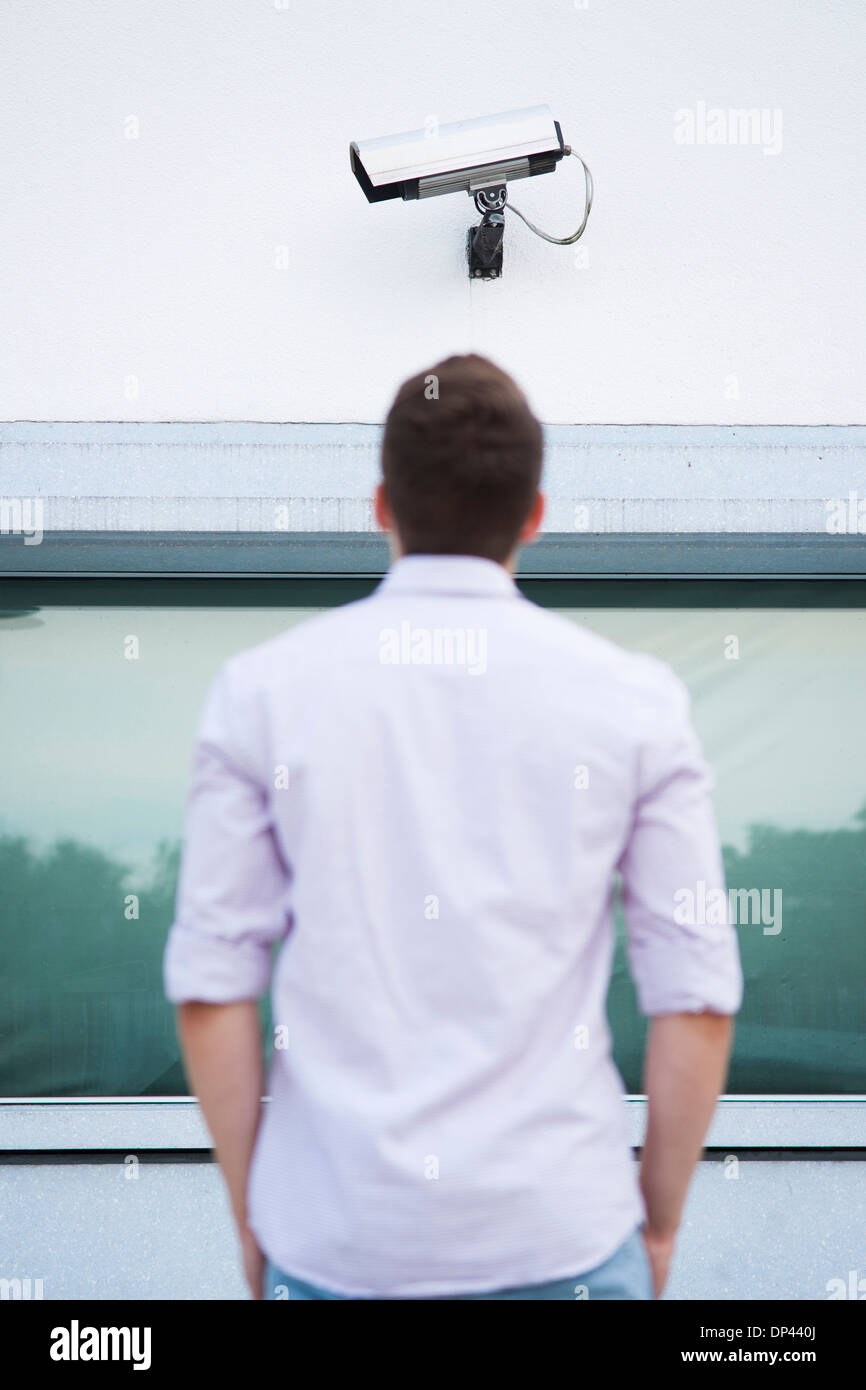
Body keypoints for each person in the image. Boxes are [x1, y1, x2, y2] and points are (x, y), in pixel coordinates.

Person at [163, 353, 742, 1301]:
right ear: (535, 516)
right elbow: (698, 997)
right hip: (566, 1241)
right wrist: (662, 1224)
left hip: (336, 1246)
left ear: (381, 505)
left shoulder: (261, 695)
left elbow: (210, 984)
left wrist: (254, 1216)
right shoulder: (637, 706)